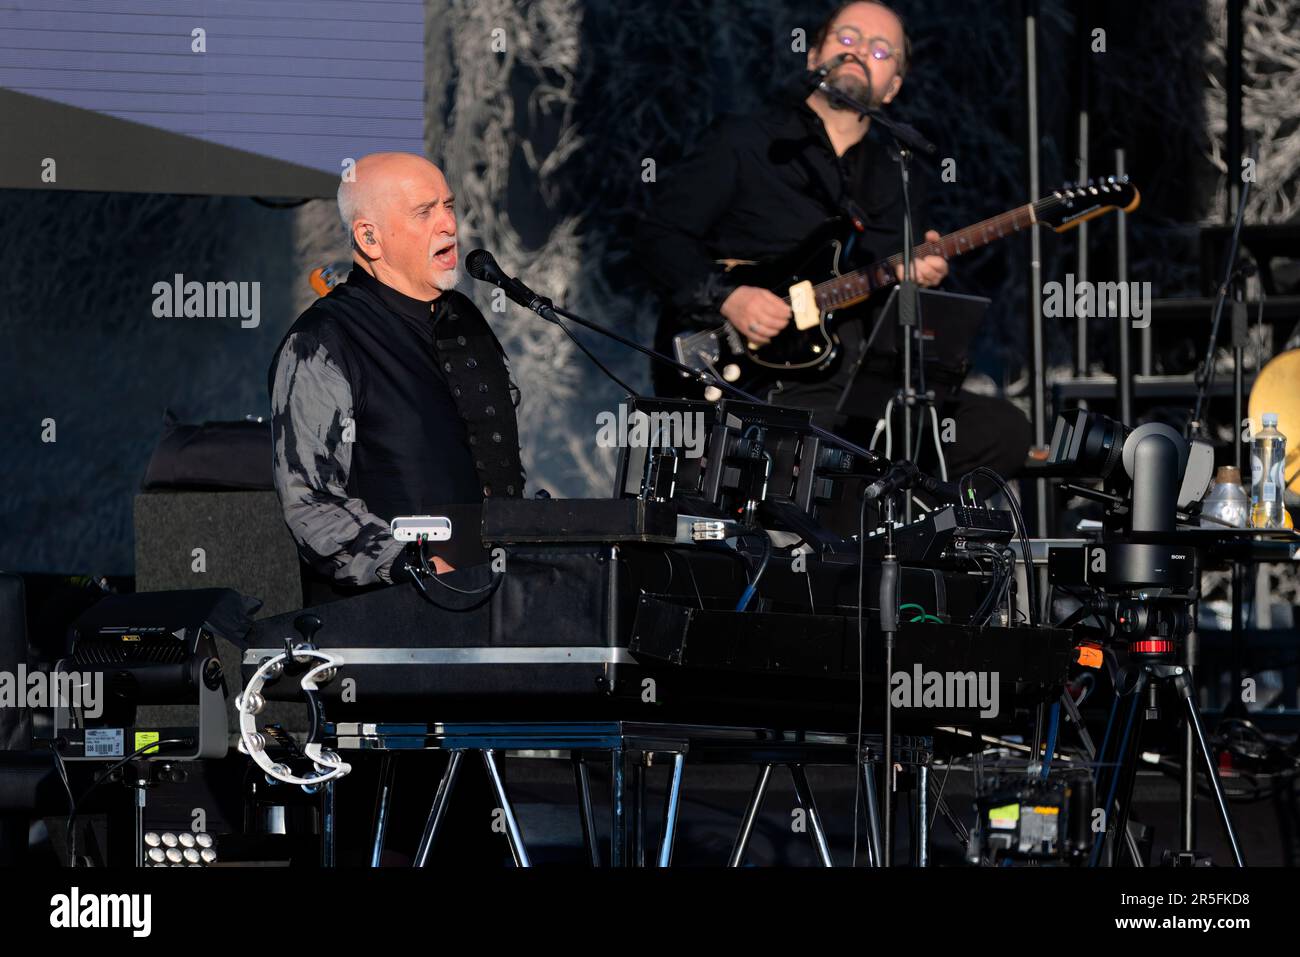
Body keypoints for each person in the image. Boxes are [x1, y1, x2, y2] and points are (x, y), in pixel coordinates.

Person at [635, 0, 1031, 484]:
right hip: (754, 381)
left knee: (1003, 429)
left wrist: (918, 285)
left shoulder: (898, 175)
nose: (859, 52)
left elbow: (893, 316)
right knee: (828, 454)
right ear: (812, 56)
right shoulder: (746, 141)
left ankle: (893, 536)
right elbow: (659, 238)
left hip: (861, 388)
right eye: (846, 39)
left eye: (880, 49)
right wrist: (730, 297)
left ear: (894, 87)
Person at [269, 152, 525, 605]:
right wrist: (412, 562)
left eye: (448, 206)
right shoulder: (320, 341)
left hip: (490, 605)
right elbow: (310, 503)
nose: (448, 225)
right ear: (370, 237)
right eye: (425, 212)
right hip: (387, 624)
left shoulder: (464, 319)